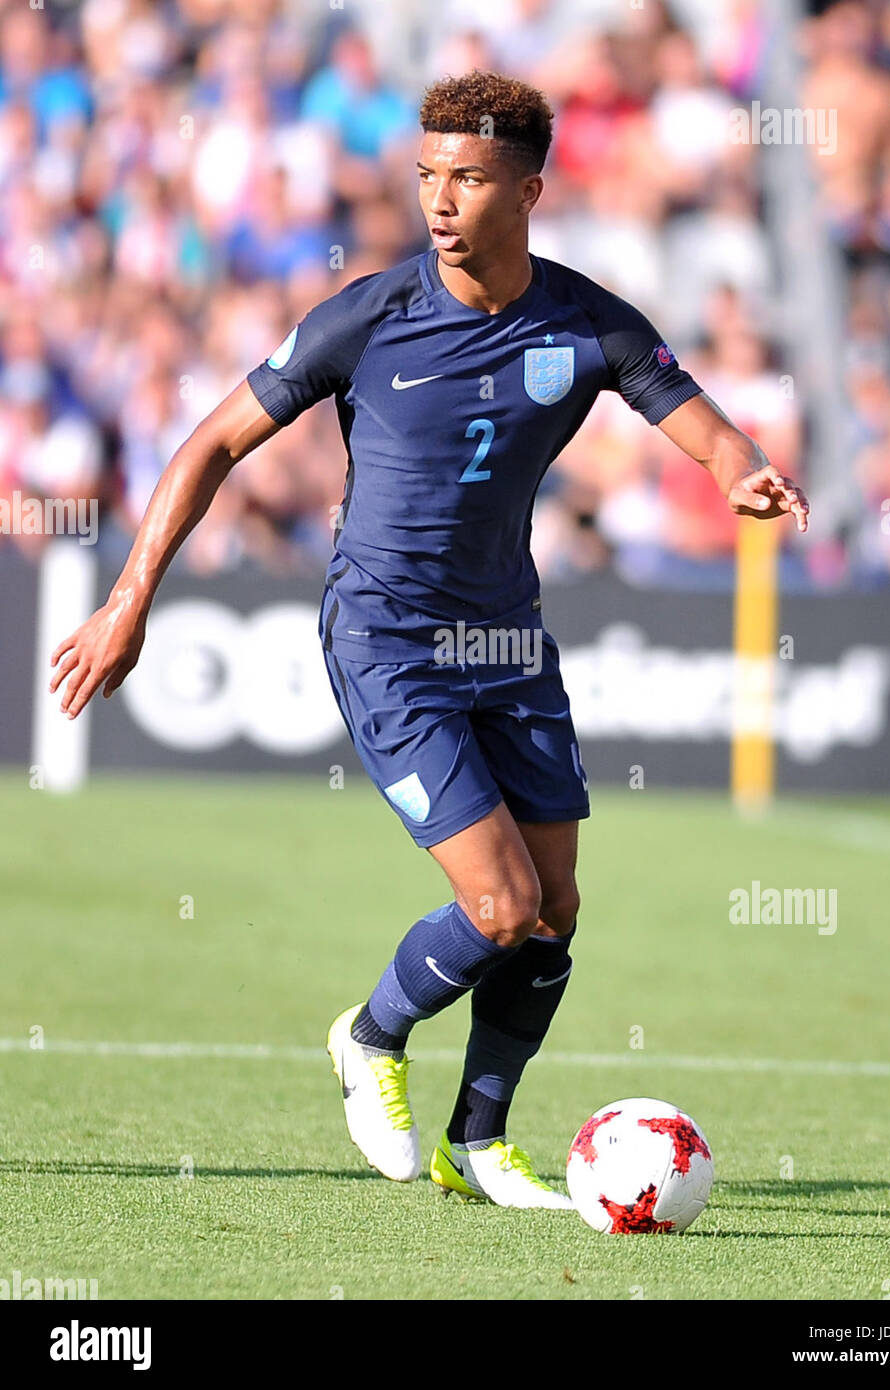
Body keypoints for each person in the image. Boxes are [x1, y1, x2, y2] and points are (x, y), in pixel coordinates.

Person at [50, 70, 809, 1211]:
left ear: (529, 190)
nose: (439, 200)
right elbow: (210, 443)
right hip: (387, 639)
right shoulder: (368, 315)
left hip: (505, 643)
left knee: (554, 910)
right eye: (425, 177)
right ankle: (370, 1032)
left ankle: (481, 1138)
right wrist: (130, 596)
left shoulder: (586, 320)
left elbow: (687, 412)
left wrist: (738, 465)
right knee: (499, 906)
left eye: (466, 178)